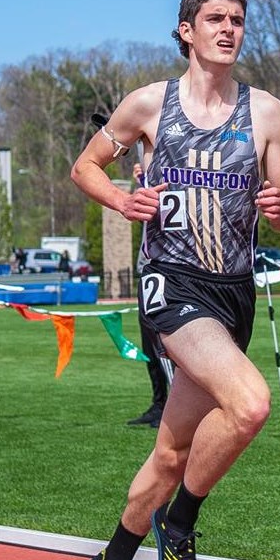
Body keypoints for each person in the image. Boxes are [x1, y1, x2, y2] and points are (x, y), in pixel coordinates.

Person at [69, 0, 280, 560]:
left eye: (237, 20)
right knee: (250, 403)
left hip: (234, 291)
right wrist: (121, 199)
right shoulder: (148, 105)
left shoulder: (268, 112)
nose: (228, 29)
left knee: (171, 451)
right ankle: (180, 522)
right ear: (185, 31)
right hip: (171, 282)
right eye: (215, 19)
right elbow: (86, 165)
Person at [126, 166, 172, 429]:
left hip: (165, 268)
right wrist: (143, 180)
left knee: (165, 342)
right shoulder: (148, 185)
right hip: (147, 269)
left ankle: (174, 407)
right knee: (149, 344)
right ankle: (159, 403)